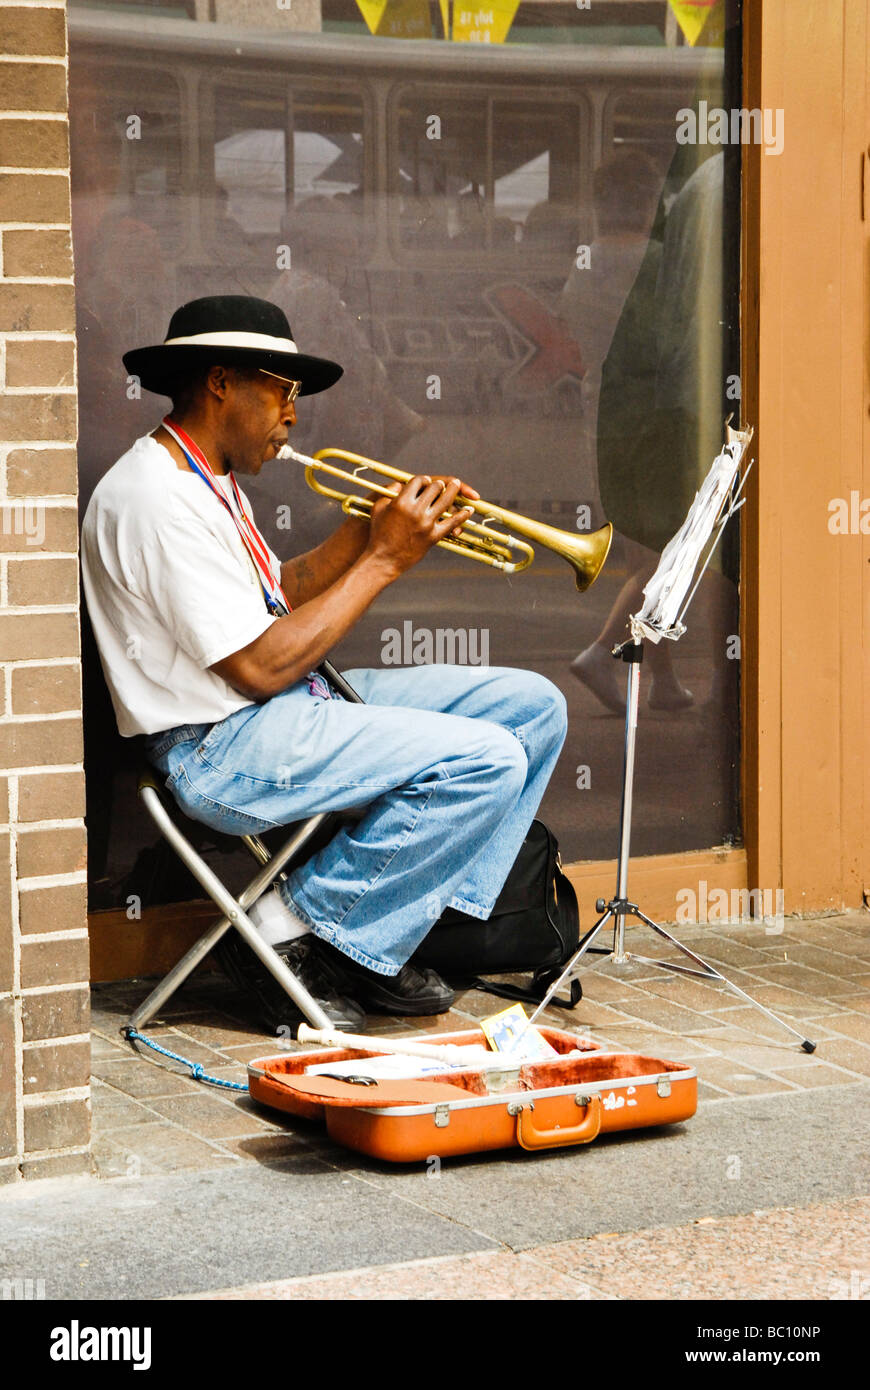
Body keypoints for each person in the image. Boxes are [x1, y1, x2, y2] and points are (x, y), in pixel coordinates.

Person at [81, 295, 568, 1034]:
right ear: (221, 383)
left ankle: (388, 931)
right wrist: (385, 560)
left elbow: (276, 598)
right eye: (283, 389)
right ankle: (283, 931)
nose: (293, 414)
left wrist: (364, 530)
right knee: (488, 759)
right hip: (220, 746)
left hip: (290, 707)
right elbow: (261, 666)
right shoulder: (155, 497)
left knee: (532, 709)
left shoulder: (206, 479)